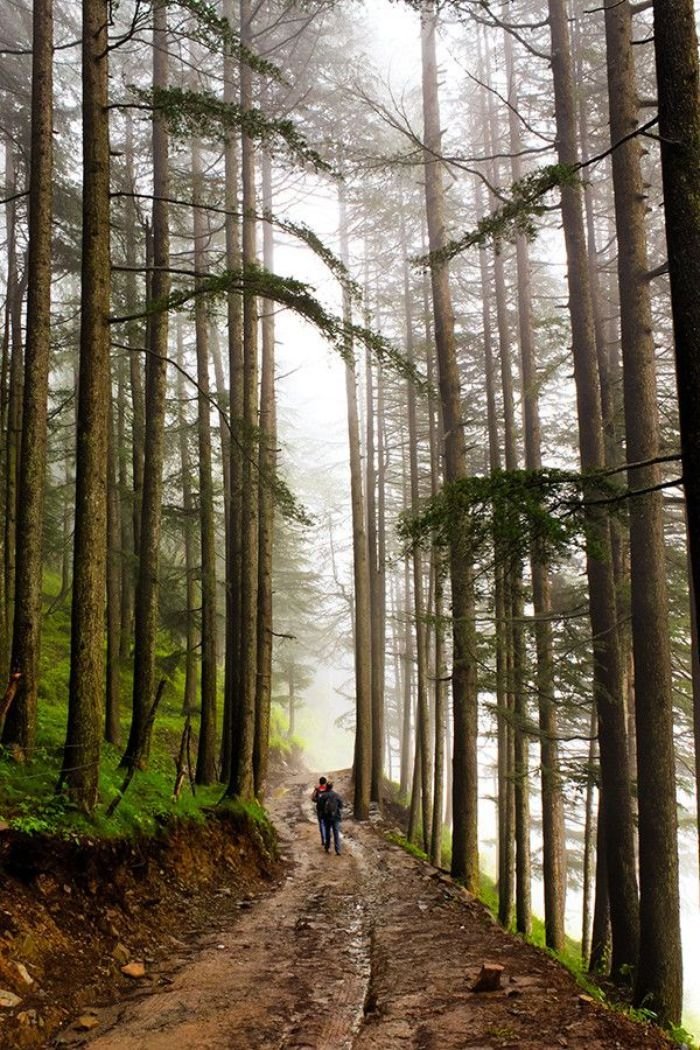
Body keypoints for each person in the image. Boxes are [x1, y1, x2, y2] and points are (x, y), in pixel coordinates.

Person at [321, 781, 343, 856]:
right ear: (332, 787)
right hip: (335, 817)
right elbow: (341, 806)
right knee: (336, 832)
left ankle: (327, 847)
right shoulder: (336, 795)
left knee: (327, 832)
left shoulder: (324, 795)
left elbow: (320, 806)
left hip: (327, 817)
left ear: (326, 787)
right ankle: (338, 850)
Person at [311, 776, 328, 845]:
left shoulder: (317, 790)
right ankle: (327, 838)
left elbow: (312, 798)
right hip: (326, 810)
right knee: (326, 824)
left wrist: (315, 790)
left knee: (321, 825)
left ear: (319, 782)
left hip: (319, 810)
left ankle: (323, 840)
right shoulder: (327, 789)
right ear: (325, 782)